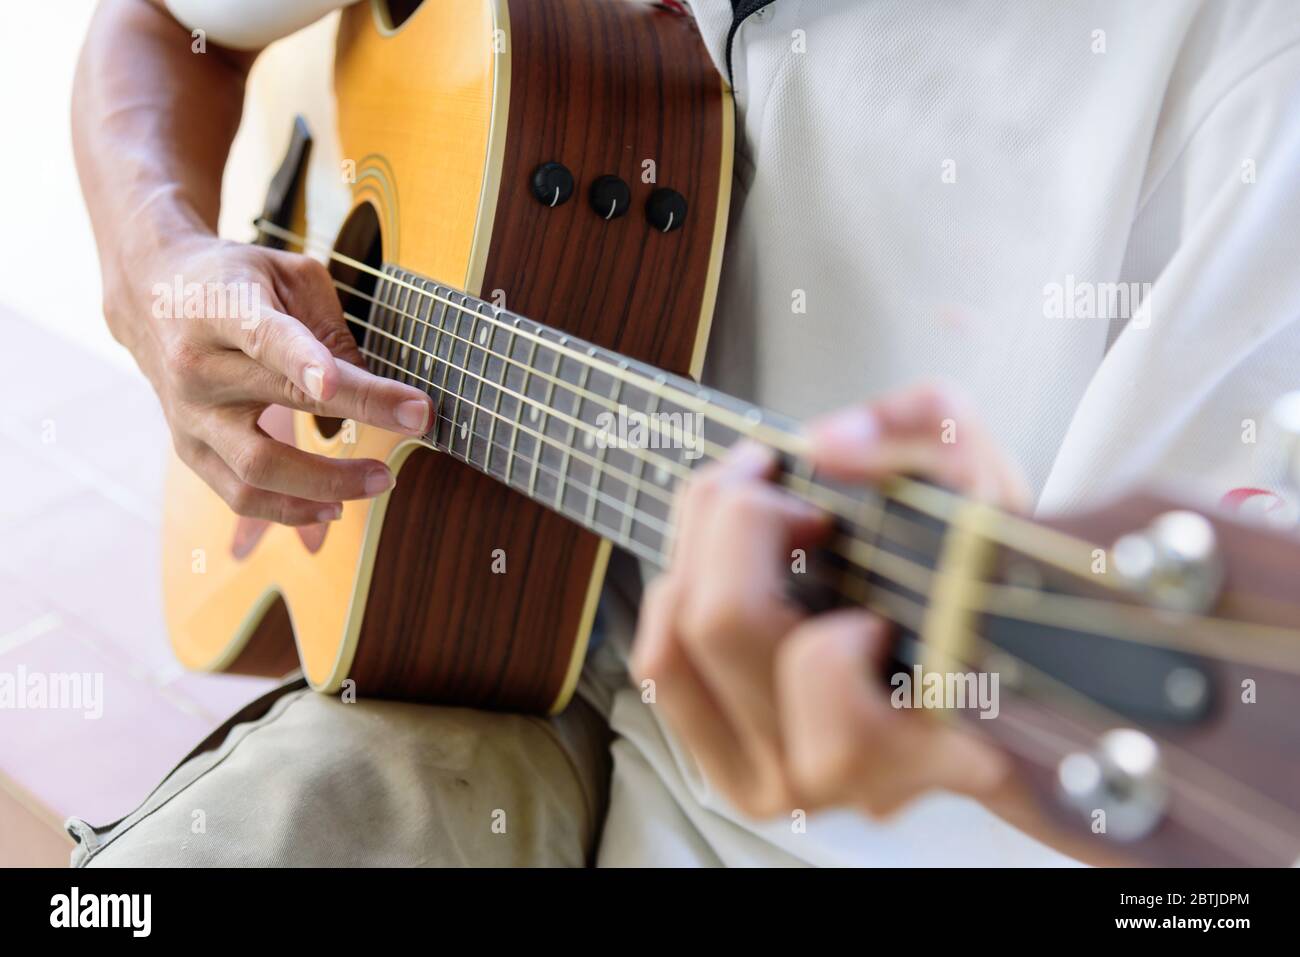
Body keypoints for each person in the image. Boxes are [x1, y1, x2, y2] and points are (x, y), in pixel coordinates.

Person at [68, 0, 1300, 866]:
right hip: (467, 675)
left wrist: (946, 745)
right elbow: (155, 28)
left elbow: (1238, 744)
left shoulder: (1250, 83)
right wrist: (161, 264)